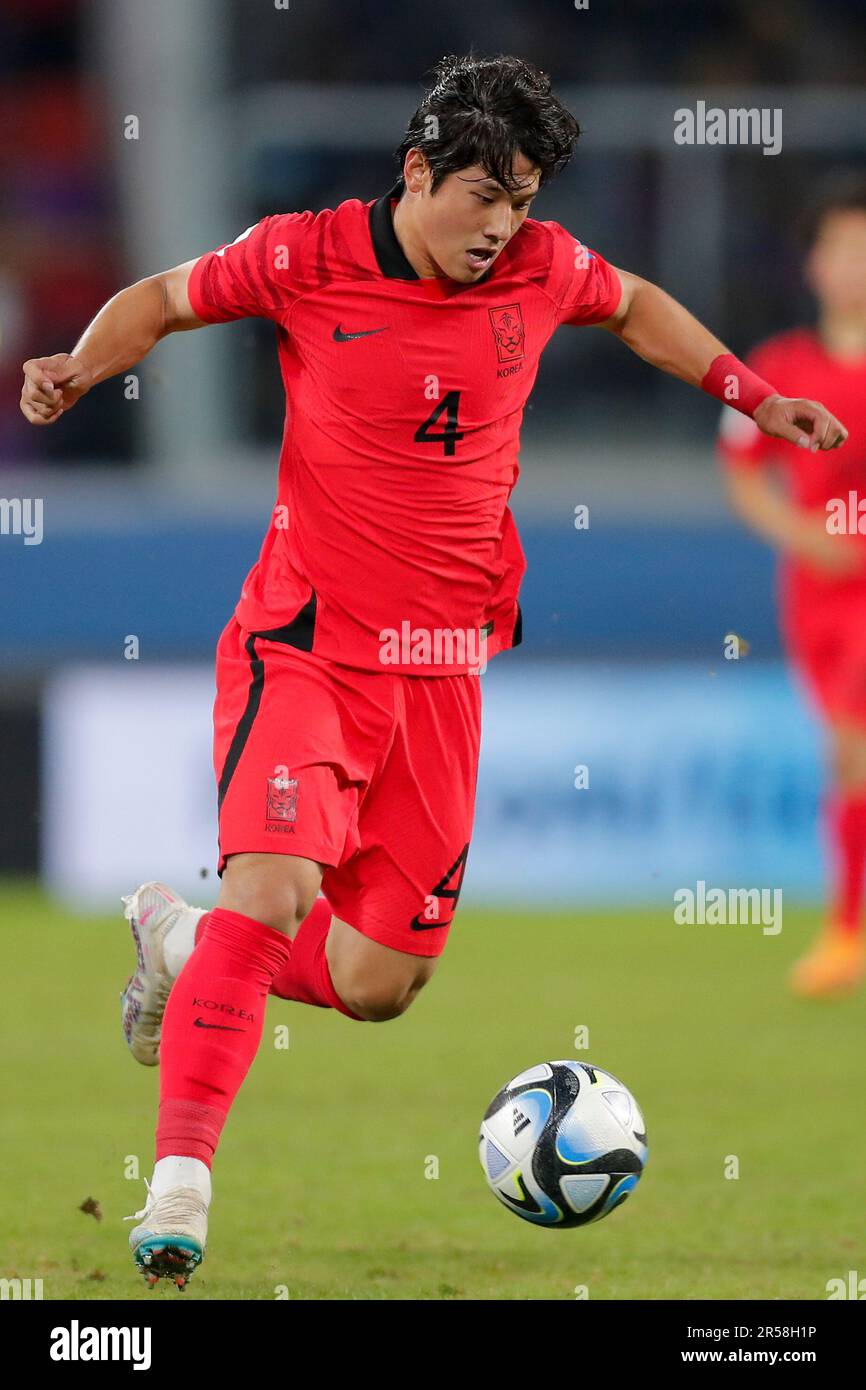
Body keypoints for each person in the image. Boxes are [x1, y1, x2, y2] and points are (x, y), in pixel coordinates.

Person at [20, 53, 847, 1288]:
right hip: (301, 644)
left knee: (375, 982)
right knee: (274, 895)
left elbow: (630, 304)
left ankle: (171, 938)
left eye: (520, 200)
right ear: (417, 172)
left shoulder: (538, 266)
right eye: (483, 196)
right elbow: (162, 294)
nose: (500, 227)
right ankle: (178, 1190)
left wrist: (750, 391)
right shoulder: (305, 255)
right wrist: (83, 364)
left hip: (441, 674)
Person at [718, 175, 866, 1001]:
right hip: (817, 594)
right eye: (842, 249)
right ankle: (847, 928)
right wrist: (802, 534)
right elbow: (742, 475)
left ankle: (846, 931)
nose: (856, 267)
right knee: (845, 756)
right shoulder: (779, 369)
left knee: (854, 743)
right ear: (813, 264)